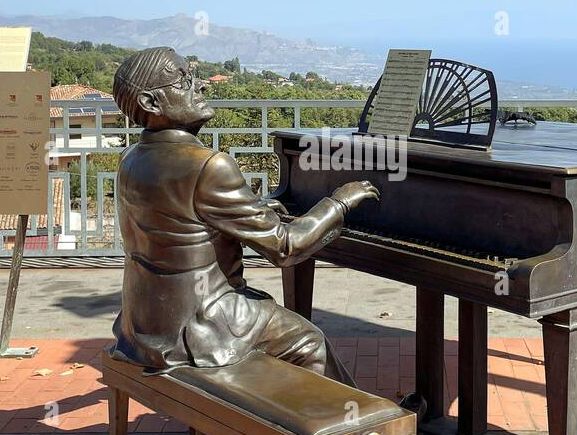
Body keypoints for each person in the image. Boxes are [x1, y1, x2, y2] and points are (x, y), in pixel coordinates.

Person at [110, 46, 377, 384]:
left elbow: (179, 221)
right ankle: (354, 419)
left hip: (144, 324)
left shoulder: (130, 157)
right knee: (311, 342)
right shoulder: (208, 165)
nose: (200, 85)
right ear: (150, 103)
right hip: (199, 325)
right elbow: (285, 247)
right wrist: (339, 203)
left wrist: (253, 210)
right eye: (183, 81)